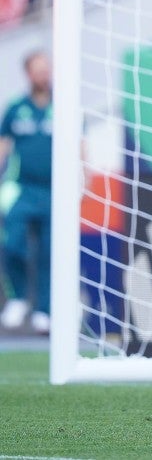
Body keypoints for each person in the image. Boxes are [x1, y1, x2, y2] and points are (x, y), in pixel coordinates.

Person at [0, 50, 53, 333]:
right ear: (28, 73)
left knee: (49, 252)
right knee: (12, 244)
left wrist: (84, 181)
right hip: (21, 188)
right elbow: (4, 143)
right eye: (38, 69)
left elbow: (79, 146)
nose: (43, 74)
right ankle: (19, 297)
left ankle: (44, 310)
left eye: (46, 69)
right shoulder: (16, 106)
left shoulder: (62, 107)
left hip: (53, 192)